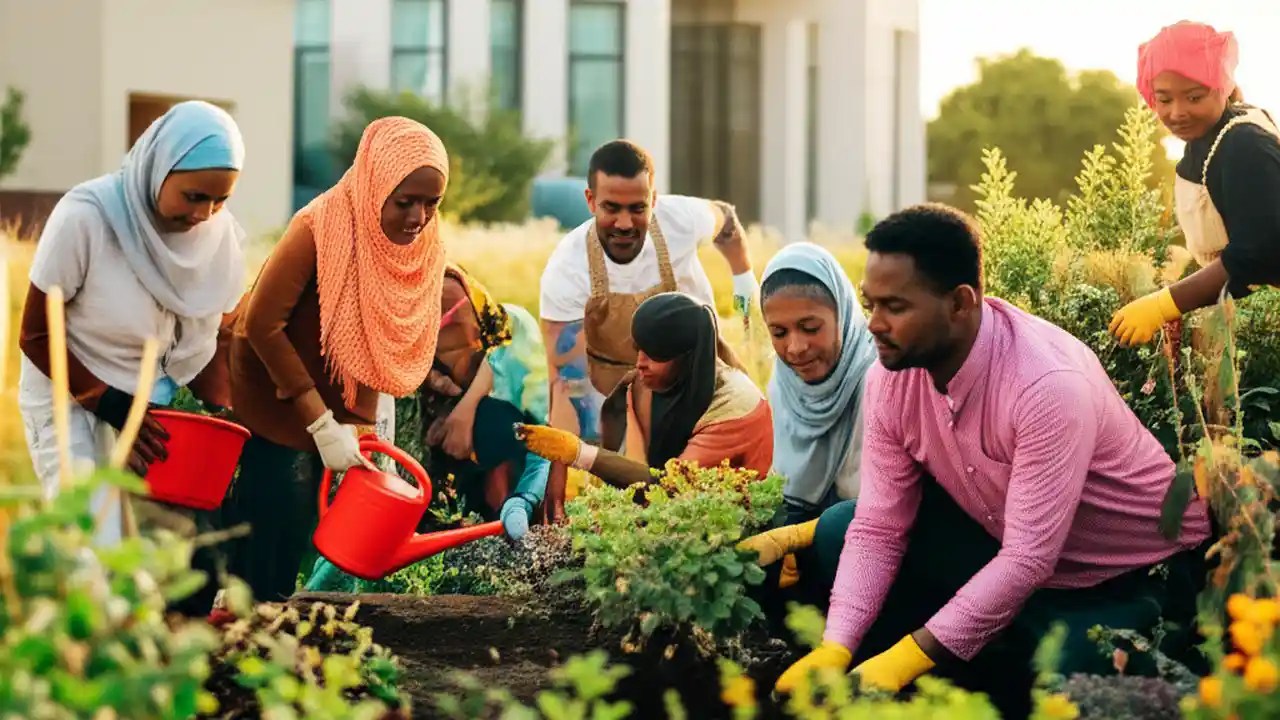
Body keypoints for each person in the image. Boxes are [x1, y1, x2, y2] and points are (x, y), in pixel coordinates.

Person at [771, 205, 1212, 718]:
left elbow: (1028, 559)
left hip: (1129, 576)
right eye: (871, 303)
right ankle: (949, 677)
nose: (874, 324)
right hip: (1017, 556)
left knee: (1070, 689)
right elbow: (879, 526)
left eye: (894, 306)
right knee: (842, 528)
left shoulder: (1044, 385)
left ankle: (989, 664)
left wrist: (906, 658)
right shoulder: (891, 377)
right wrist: (838, 646)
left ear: (960, 303)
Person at [17, 100, 245, 614]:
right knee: (91, 541)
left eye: (219, 199)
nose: (204, 213)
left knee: (162, 550)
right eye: (193, 195)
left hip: (145, 403)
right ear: (159, 166)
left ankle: (146, 660)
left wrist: (238, 416)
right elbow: (34, 335)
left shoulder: (215, 238)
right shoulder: (88, 218)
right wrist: (110, 406)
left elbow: (209, 345)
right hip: (67, 395)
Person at [225, 117, 450, 602]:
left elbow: (374, 333)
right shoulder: (317, 228)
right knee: (274, 531)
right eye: (404, 202)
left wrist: (353, 426)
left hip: (334, 404)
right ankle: (244, 641)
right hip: (277, 397)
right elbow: (259, 325)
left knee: (308, 535)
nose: (418, 218)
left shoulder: (420, 247)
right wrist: (320, 422)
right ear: (374, 187)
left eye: (431, 203)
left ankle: (274, 634)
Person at [537, 139, 759, 522]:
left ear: (654, 201)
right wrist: (557, 488)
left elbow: (726, 219)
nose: (624, 223)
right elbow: (569, 387)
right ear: (591, 201)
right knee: (620, 496)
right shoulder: (567, 269)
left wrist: (743, 280)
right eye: (611, 208)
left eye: (637, 208)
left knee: (723, 475)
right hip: (611, 382)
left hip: (697, 362)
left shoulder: (682, 220)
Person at [1110, 21, 1280, 346]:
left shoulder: (1245, 144)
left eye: (1193, 97)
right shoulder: (1206, 142)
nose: (1177, 112)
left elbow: (1256, 255)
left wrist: (1163, 304)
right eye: (1164, 99)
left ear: (1223, 86)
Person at [516, 292, 772, 490]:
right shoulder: (655, 382)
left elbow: (669, 489)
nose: (640, 363)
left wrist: (579, 454)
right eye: (638, 349)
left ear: (688, 357)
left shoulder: (734, 409)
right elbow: (628, 455)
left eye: (655, 355)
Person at [736, 242, 876, 599]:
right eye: (779, 333)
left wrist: (799, 533)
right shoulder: (785, 383)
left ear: (842, 314)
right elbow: (784, 486)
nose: (795, 348)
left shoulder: (880, 377)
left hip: (873, 540)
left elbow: (882, 506)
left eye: (810, 327)